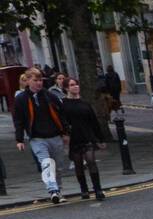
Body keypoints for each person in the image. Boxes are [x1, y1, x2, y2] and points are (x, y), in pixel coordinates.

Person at [12, 69, 70, 202]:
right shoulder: (21, 99)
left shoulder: (49, 96)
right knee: (46, 164)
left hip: (55, 136)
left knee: (58, 166)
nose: (39, 83)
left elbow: (62, 114)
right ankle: (53, 190)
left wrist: (66, 132)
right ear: (27, 81)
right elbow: (18, 120)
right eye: (35, 80)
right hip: (37, 138)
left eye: (40, 80)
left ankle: (58, 190)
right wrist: (19, 139)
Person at [62, 78, 108, 201]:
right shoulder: (63, 104)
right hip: (74, 138)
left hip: (87, 136)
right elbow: (62, 121)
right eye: (72, 85)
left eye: (76, 84)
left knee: (91, 161)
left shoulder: (85, 104)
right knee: (78, 165)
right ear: (66, 88)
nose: (75, 87)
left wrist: (101, 139)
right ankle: (84, 189)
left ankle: (98, 189)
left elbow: (94, 122)